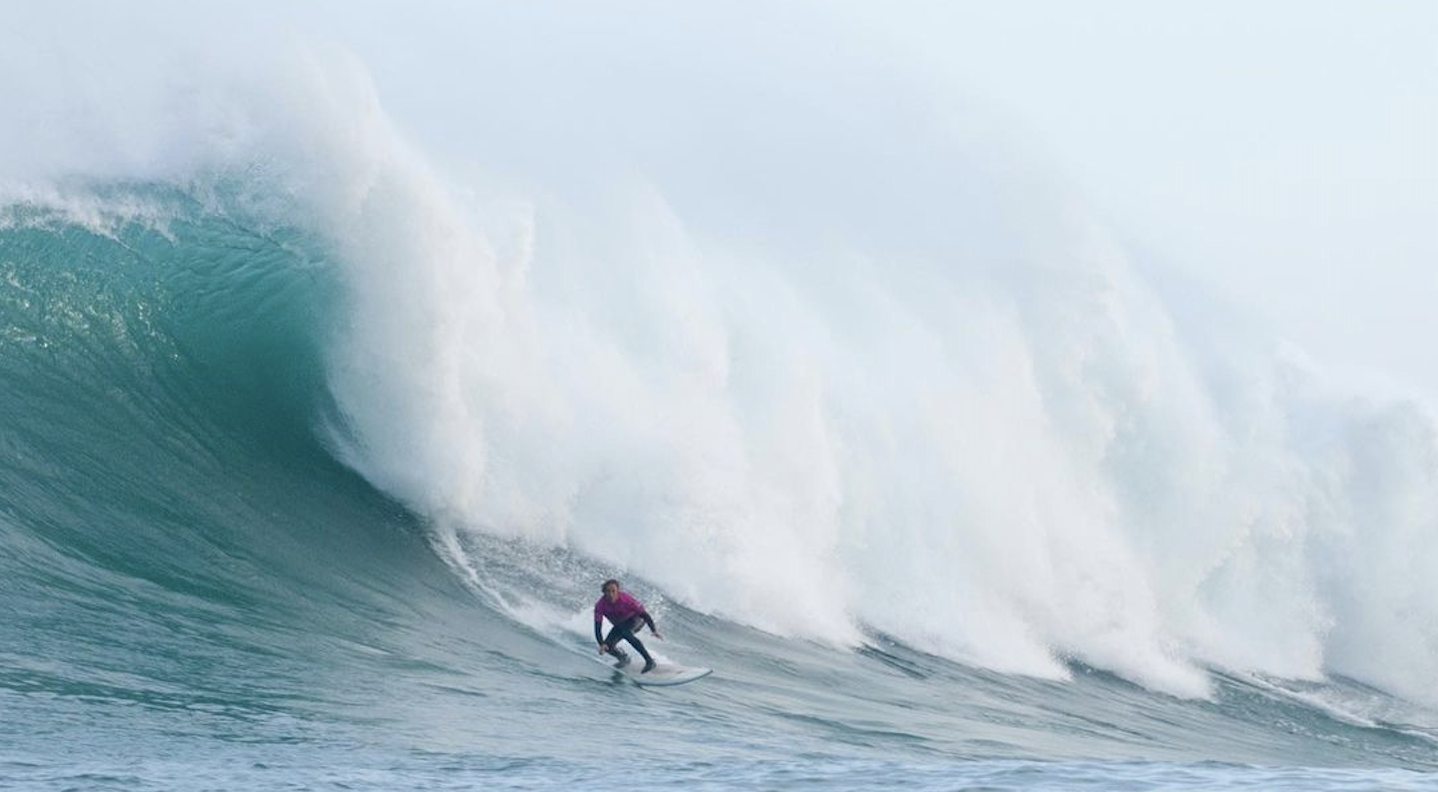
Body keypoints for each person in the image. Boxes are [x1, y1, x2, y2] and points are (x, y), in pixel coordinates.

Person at [594, 578, 660, 673]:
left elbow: (644, 615)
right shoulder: (600, 605)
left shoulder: (626, 599)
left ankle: (650, 661)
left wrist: (653, 630)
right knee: (608, 647)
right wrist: (601, 643)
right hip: (620, 625)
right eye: (608, 591)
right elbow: (597, 627)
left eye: (613, 591)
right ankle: (624, 659)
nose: (611, 594)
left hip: (636, 619)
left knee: (626, 633)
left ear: (618, 591)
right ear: (604, 592)